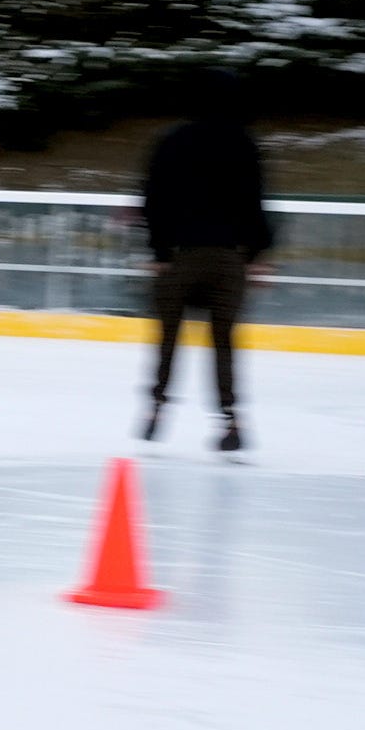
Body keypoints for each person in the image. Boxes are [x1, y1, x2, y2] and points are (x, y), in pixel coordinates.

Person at [137, 74, 276, 454]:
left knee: (168, 338)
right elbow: (255, 202)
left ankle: (155, 411)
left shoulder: (171, 141)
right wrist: (257, 255)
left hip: (179, 256)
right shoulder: (244, 144)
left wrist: (159, 252)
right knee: (224, 342)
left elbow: (153, 199)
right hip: (228, 257)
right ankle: (231, 421)